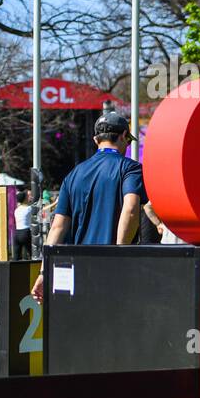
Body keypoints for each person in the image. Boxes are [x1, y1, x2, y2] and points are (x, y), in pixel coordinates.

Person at [31, 110, 145, 301]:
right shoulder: (130, 168)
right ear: (124, 136)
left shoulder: (74, 174)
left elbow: (57, 227)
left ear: (95, 139)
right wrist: (120, 255)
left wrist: (44, 272)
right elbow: (131, 209)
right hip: (113, 270)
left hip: (80, 269)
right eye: (128, 140)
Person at [12, 189, 33, 260]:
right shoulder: (29, 209)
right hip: (26, 233)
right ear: (25, 199)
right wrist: (55, 202)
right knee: (32, 254)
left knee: (16, 257)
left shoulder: (16, 210)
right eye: (27, 196)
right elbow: (43, 209)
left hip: (17, 233)